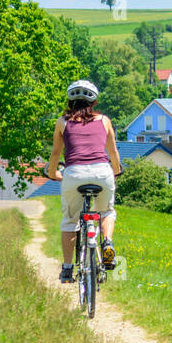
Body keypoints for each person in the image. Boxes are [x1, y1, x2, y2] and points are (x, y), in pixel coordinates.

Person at [46, 79, 122, 283]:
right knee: (106, 211)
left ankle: (68, 269)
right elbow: (113, 152)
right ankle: (107, 243)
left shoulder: (62, 122)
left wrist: (53, 174)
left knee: (70, 221)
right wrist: (116, 171)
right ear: (94, 102)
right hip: (102, 172)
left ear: (70, 102)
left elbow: (55, 154)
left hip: (74, 173)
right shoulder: (104, 121)